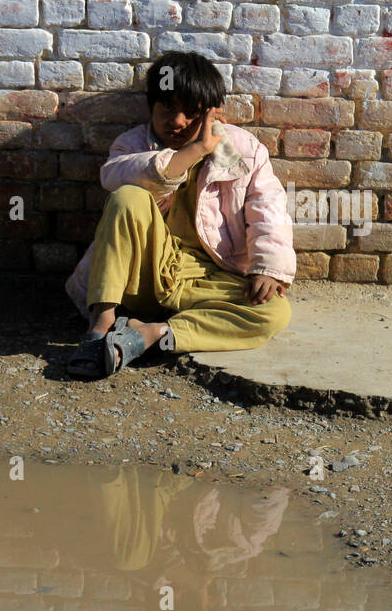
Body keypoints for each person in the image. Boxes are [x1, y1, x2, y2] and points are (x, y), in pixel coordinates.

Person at [65, 52, 295, 377]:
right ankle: (101, 323)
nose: (178, 122)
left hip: (207, 278)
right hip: (144, 279)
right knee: (129, 196)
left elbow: (268, 209)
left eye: (192, 113)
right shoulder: (131, 145)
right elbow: (113, 179)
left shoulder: (244, 150)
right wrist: (195, 150)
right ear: (151, 107)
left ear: (214, 115)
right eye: (168, 109)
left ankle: (150, 334)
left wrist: (269, 268)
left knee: (272, 314)